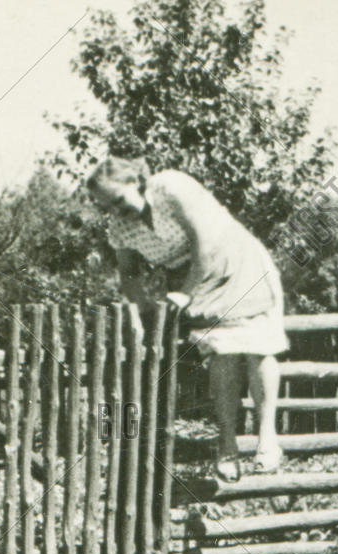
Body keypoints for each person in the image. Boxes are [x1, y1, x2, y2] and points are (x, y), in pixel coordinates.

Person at [85, 157, 287, 480]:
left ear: (136, 181)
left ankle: (267, 441)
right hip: (192, 278)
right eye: (107, 207)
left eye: (120, 201)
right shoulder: (120, 227)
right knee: (220, 349)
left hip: (233, 260)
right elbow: (129, 275)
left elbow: (204, 245)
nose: (116, 212)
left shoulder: (172, 187)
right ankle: (227, 447)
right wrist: (144, 311)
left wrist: (185, 293)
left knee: (258, 344)